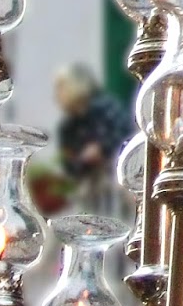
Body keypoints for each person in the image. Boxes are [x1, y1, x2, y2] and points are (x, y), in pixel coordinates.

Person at [53, 64, 130, 213]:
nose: (57, 95)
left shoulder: (105, 108)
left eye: (60, 87)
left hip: (116, 184)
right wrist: (82, 160)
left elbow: (125, 137)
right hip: (88, 192)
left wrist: (101, 148)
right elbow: (69, 165)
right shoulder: (68, 127)